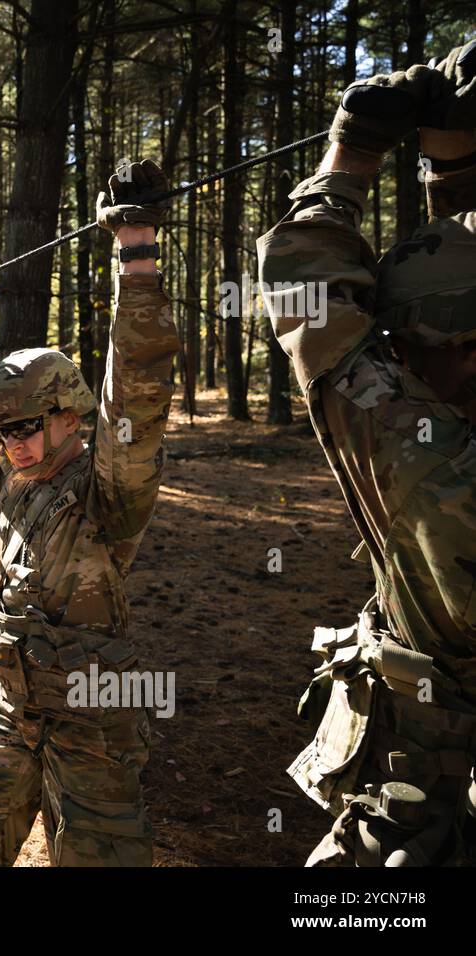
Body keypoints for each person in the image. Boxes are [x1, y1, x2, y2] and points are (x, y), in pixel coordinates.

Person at [0, 159, 178, 867]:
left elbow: (137, 393)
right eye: (6, 431)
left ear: (70, 417)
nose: (12, 443)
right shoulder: (9, 468)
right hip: (11, 716)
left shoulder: (109, 488)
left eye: (26, 428)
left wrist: (137, 253)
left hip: (92, 732)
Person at [258, 46, 476, 866]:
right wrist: (451, 152)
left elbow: (309, 292)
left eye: (410, 346)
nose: (397, 361)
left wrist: (348, 154)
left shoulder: (432, 472)